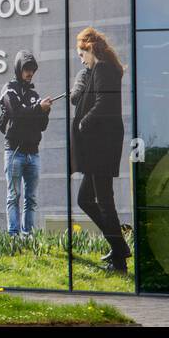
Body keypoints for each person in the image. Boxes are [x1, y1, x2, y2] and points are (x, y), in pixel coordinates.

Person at [70, 27, 130, 274]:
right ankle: (119, 248)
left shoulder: (103, 69)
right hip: (99, 144)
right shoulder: (97, 70)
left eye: (81, 54)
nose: (81, 59)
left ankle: (119, 258)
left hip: (102, 144)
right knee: (86, 199)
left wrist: (85, 121)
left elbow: (105, 103)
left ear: (90, 48)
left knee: (104, 202)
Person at [0, 50, 54, 235]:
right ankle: (13, 236)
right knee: (14, 196)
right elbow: (16, 113)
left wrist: (44, 112)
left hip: (33, 154)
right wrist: (37, 109)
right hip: (14, 152)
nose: (30, 73)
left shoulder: (34, 94)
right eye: (26, 69)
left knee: (31, 198)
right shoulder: (9, 89)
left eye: (32, 70)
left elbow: (42, 126)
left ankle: (27, 235)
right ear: (18, 68)